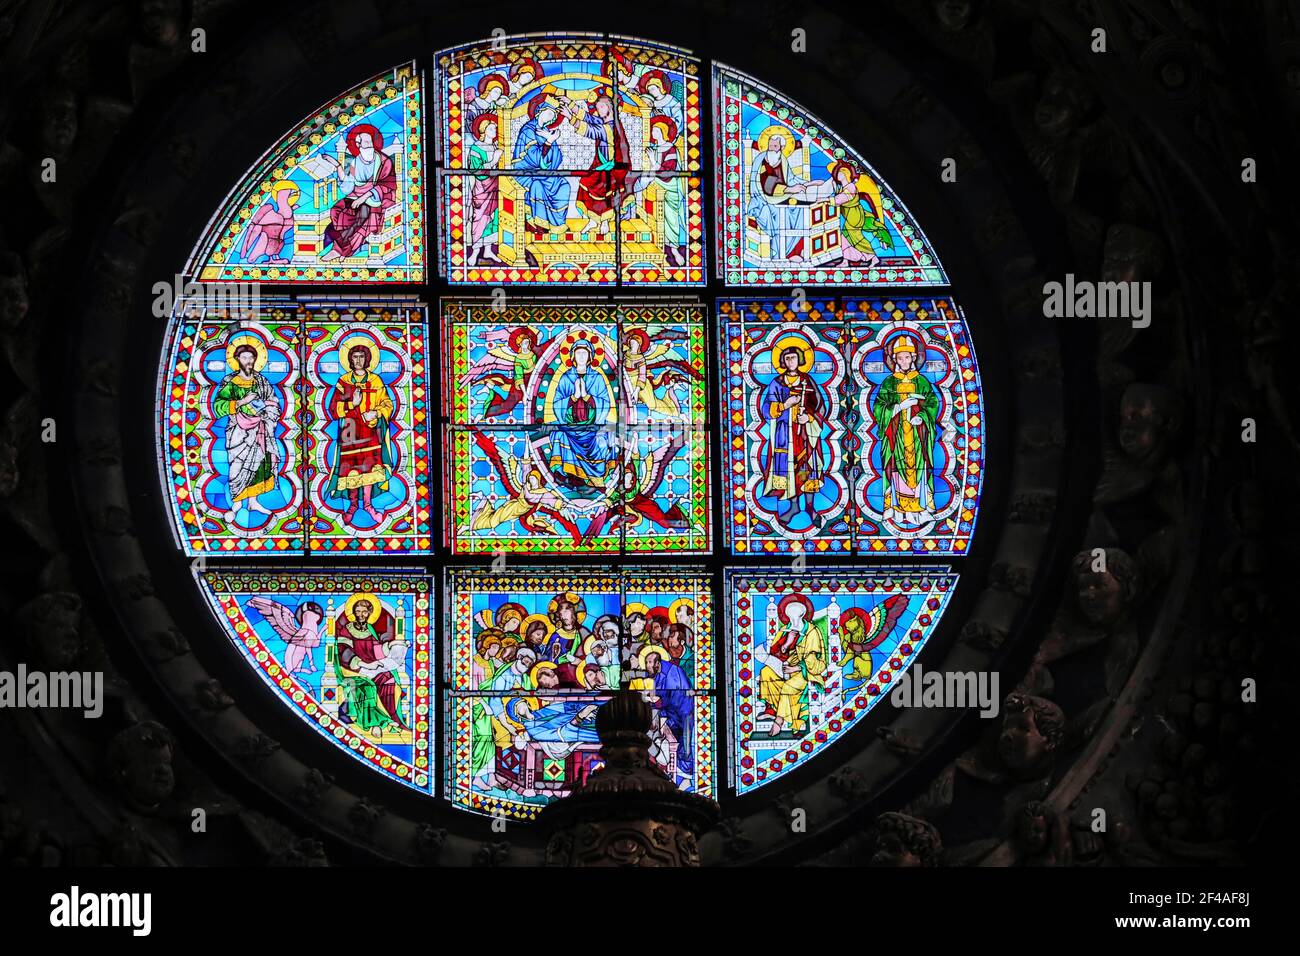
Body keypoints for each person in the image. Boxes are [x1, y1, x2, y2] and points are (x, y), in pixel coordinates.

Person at [325, 342, 396, 528]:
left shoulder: (376, 381)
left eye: (361, 356)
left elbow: (388, 404)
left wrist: (377, 413)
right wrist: (353, 405)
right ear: (349, 359)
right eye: (355, 357)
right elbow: (335, 409)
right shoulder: (343, 382)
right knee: (351, 468)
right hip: (350, 433)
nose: (358, 360)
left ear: (368, 359)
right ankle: (353, 506)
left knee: (370, 469)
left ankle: (369, 505)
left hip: (371, 432)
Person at [759, 343, 830, 527]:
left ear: (800, 359)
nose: (791, 361)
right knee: (790, 470)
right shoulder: (777, 383)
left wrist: (809, 417)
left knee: (808, 468)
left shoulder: (808, 380)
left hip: (806, 435)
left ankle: (810, 506)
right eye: (787, 358)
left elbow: (820, 405)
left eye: (794, 357)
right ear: (783, 361)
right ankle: (794, 506)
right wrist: (785, 405)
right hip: (785, 435)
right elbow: (766, 409)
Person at [871, 335, 939, 526]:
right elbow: (879, 408)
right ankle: (897, 510)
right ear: (894, 359)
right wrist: (899, 407)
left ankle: (921, 509)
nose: (904, 361)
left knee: (920, 469)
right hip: (896, 435)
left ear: (914, 358)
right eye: (900, 358)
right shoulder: (889, 382)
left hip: (918, 437)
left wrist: (922, 415)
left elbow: (933, 403)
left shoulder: (923, 382)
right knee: (896, 470)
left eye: (907, 357)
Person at [214, 340, 280, 524]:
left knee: (259, 465)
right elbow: (218, 406)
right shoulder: (230, 382)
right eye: (244, 357)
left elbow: (273, 401)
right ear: (237, 359)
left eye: (251, 357)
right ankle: (237, 502)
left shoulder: (260, 381)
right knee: (238, 466)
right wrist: (242, 403)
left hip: (260, 429)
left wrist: (266, 409)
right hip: (238, 433)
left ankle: (253, 501)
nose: (248, 360)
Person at [545, 340, 617, 492]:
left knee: (601, 439)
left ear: (591, 356)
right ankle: (570, 478)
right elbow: (556, 404)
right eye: (578, 353)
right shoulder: (565, 378)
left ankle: (595, 481)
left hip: (592, 427)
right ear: (572, 356)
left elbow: (606, 402)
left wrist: (586, 397)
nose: (582, 356)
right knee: (558, 435)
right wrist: (573, 397)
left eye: (585, 353)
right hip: (570, 428)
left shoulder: (597, 378)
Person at [321, 124, 397, 261]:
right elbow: (349, 185)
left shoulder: (384, 161)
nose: (368, 145)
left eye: (369, 141)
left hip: (376, 199)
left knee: (361, 216)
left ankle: (339, 250)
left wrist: (363, 198)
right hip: (355, 195)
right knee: (336, 210)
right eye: (364, 142)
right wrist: (338, 166)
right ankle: (343, 245)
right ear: (358, 144)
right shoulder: (356, 162)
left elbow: (387, 185)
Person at [757, 594, 825, 737]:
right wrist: (786, 643)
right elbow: (776, 653)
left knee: (788, 686)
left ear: (803, 614)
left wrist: (795, 668)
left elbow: (814, 661)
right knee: (766, 672)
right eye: (790, 614)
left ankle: (779, 722)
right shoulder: (784, 630)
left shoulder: (812, 632)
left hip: (806, 672)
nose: (793, 618)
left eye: (796, 614)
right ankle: (771, 710)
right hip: (785, 667)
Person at [568, 92, 635, 235]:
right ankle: (594, 220)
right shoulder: (606, 122)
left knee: (603, 193)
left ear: (608, 107)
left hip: (612, 168)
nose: (598, 111)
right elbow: (589, 118)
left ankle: (604, 221)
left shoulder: (610, 127)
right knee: (587, 186)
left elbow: (592, 131)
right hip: (601, 165)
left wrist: (569, 117)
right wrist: (570, 104)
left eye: (600, 108)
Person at [747, 131, 807, 259]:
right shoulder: (760, 160)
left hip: (782, 198)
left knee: (800, 212)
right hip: (763, 200)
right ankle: (778, 252)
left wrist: (809, 184)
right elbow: (765, 185)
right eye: (770, 145)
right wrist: (789, 190)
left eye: (774, 146)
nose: (771, 148)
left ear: (782, 147)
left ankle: (793, 251)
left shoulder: (783, 161)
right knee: (780, 216)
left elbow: (791, 179)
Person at [513, 95, 570, 231]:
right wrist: (549, 141)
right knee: (537, 186)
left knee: (564, 185)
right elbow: (533, 158)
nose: (552, 118)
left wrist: (549, 139)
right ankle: (540, 225)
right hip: (526, 172)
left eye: (554, 116)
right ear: (540, 111)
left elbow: (557, 158)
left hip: (544, 173)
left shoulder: (546, 131)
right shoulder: (527, 130)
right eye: (550, 113)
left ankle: (557, 225)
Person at [829, 161, 889, 266]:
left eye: (840, 173)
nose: (838, 175)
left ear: (846, 173)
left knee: (857, 238)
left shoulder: (851, 187)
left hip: (855, 216)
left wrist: (825, 200)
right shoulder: (843, 188)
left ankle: (873, 257)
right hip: (849, 216)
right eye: (837, 173)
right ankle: (846, 260)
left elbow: (840, 199)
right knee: (845, 237)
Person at [466, 113, 502, 265]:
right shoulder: (476, 148)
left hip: (495, 187)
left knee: (493, 219)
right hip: (482, 189)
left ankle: (488, 251)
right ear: (484, 129)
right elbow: (476, 171)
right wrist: (494, 160)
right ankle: (475, 252)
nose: (495, 130)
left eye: (495, 127)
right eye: (492, 128)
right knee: (480, 219)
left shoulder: (496, 146)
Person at [240, 181, 298, 264]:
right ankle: (271, 259)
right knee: (273, 242)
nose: (291, 193)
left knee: (280, 241)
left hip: (278, 242)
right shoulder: (270, 211)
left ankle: (276, 257)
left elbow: (286, 215)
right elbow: (255, 229)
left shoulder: (288, 216)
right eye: (287, 192)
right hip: (267, 241)